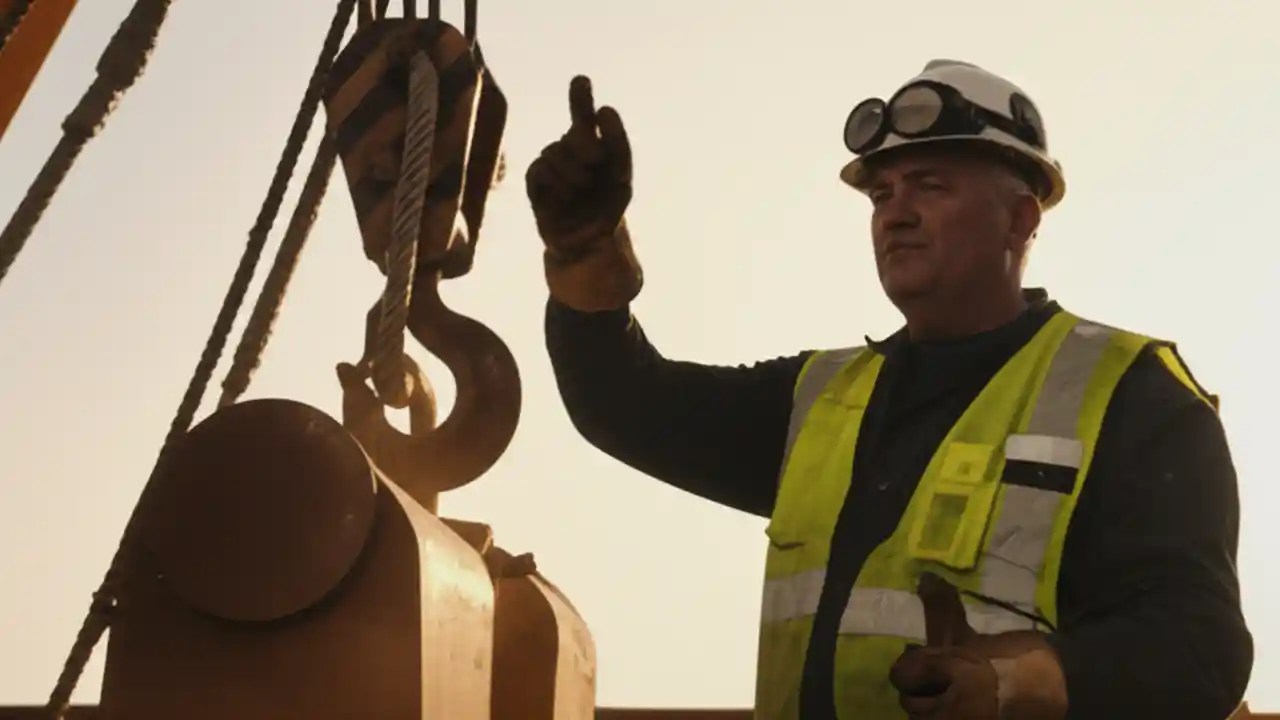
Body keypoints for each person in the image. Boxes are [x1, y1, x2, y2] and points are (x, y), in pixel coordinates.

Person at [524, 59, 1253, 719]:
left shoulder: (1133, 399)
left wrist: (1018, 683)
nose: (895, 212)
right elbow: (630, 406)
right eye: (881, 193)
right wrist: (584, 254)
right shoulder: (822, 398)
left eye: (930, 186)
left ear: (1021, 218)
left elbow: (1199, 651)